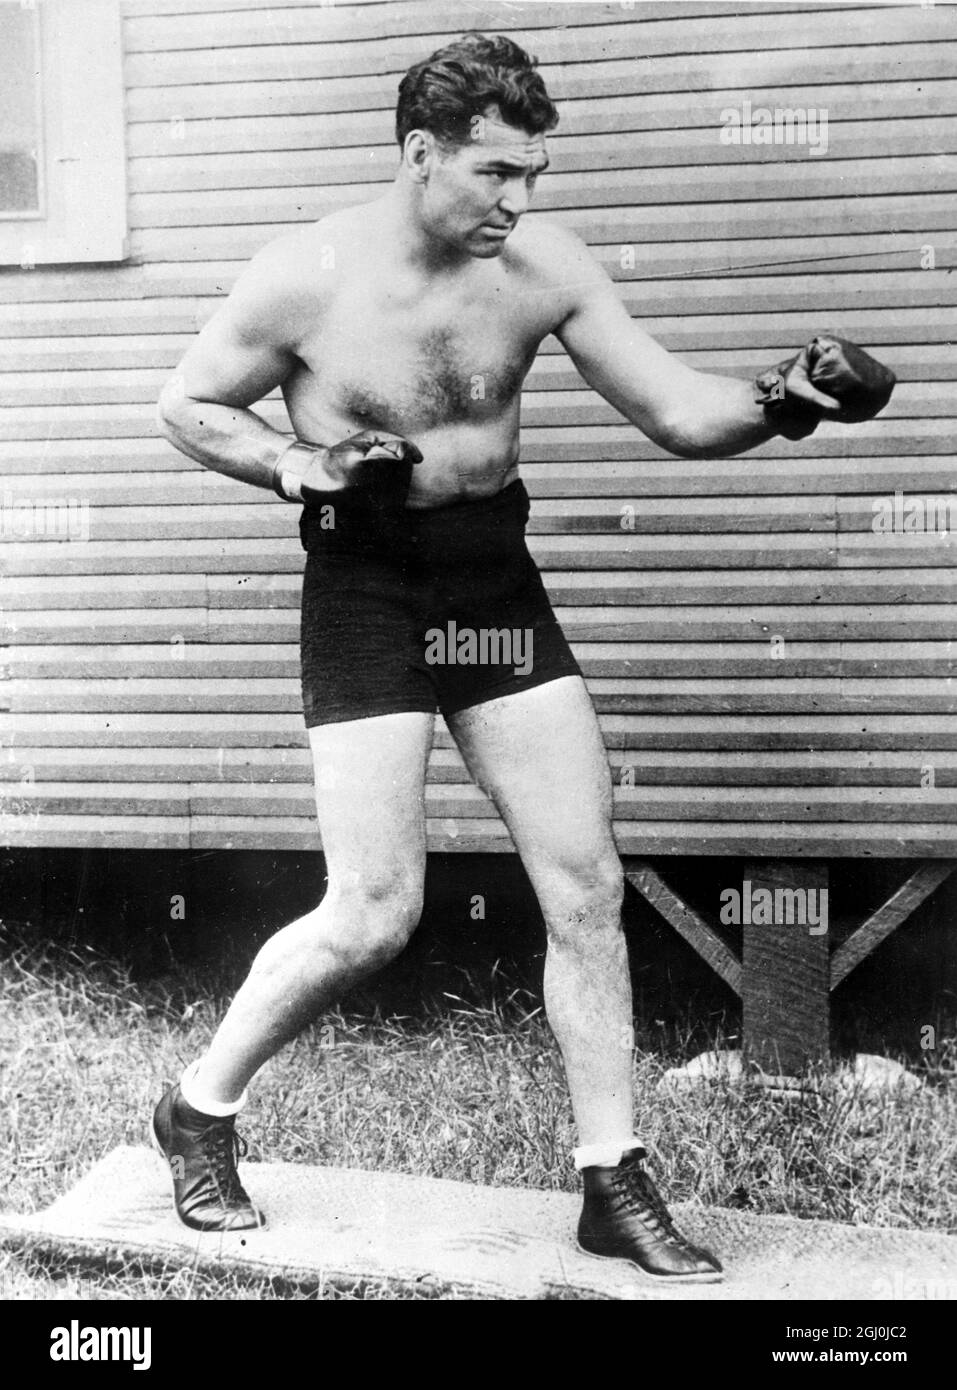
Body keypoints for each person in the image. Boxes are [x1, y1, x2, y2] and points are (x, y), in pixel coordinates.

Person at [152, 32, 894, 1284]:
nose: (520, 200)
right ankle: (199, 1107)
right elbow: (186, 405)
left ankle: (614, 1177)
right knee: (374, 911)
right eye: (496, 172)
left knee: (584, 883)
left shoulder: (542, 264)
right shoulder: (304, 276)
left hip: (492, 579)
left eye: (535, 172)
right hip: (367, 586)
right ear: (419, 154)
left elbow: (675, 411)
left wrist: (783, 398)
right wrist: (298, 463)